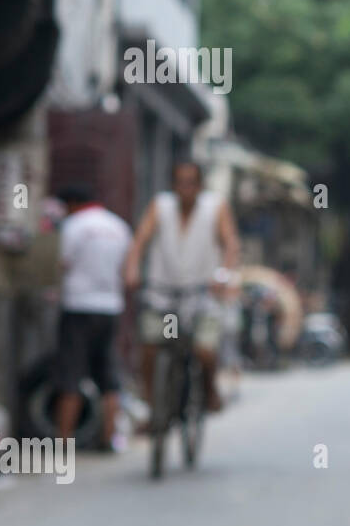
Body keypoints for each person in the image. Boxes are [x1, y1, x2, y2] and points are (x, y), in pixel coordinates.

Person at [122, 160, 240, 413]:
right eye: (180, 183)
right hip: (163, 292)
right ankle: (151, 404)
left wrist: (222, 275)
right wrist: (132, 269)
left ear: (200, 186)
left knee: (204, 351)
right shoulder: (160, 206)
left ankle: (209, 390)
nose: (185, 188)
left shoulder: (215, 207)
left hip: (202, 294)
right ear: (173, 185)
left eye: (191, 183)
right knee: (151, 347)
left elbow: (230, 244)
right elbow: (140, 240)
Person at [55, 185, 132, 449]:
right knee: (109, 376)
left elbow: (62, 263)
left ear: (73, 203)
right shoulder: (119, 226)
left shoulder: (74, 226)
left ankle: (64, 442)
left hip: (78, 306)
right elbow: (127, 269)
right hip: (110, 307)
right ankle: (109, 439)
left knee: (71, 374)